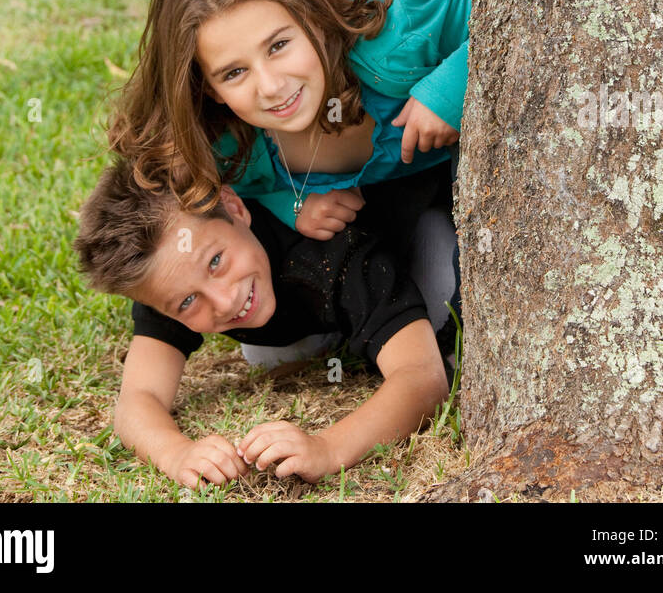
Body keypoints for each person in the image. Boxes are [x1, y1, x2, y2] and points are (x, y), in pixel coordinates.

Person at [108, 0, 472, 266]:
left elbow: (513, 9)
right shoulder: (226, 149)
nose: (270, 86)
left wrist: (446, 91)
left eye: (278, 45)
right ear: (208, 89)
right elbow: (201, 196)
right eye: (234, 73)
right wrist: (290, 204)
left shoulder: (395, 39)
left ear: (315, 17)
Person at [74, 161, 451, 487]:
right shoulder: (170, 275)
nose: (225, 301)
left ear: (234, 207)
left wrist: (327, 448)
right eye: (188, 302)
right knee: (267, 356)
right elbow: (136, 400)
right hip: (312, 294)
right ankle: (347, 327)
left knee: (441, 312)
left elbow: (422, 378)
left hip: (413, 234)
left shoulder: (335, 253)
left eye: (216, 262)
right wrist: (176, 454)